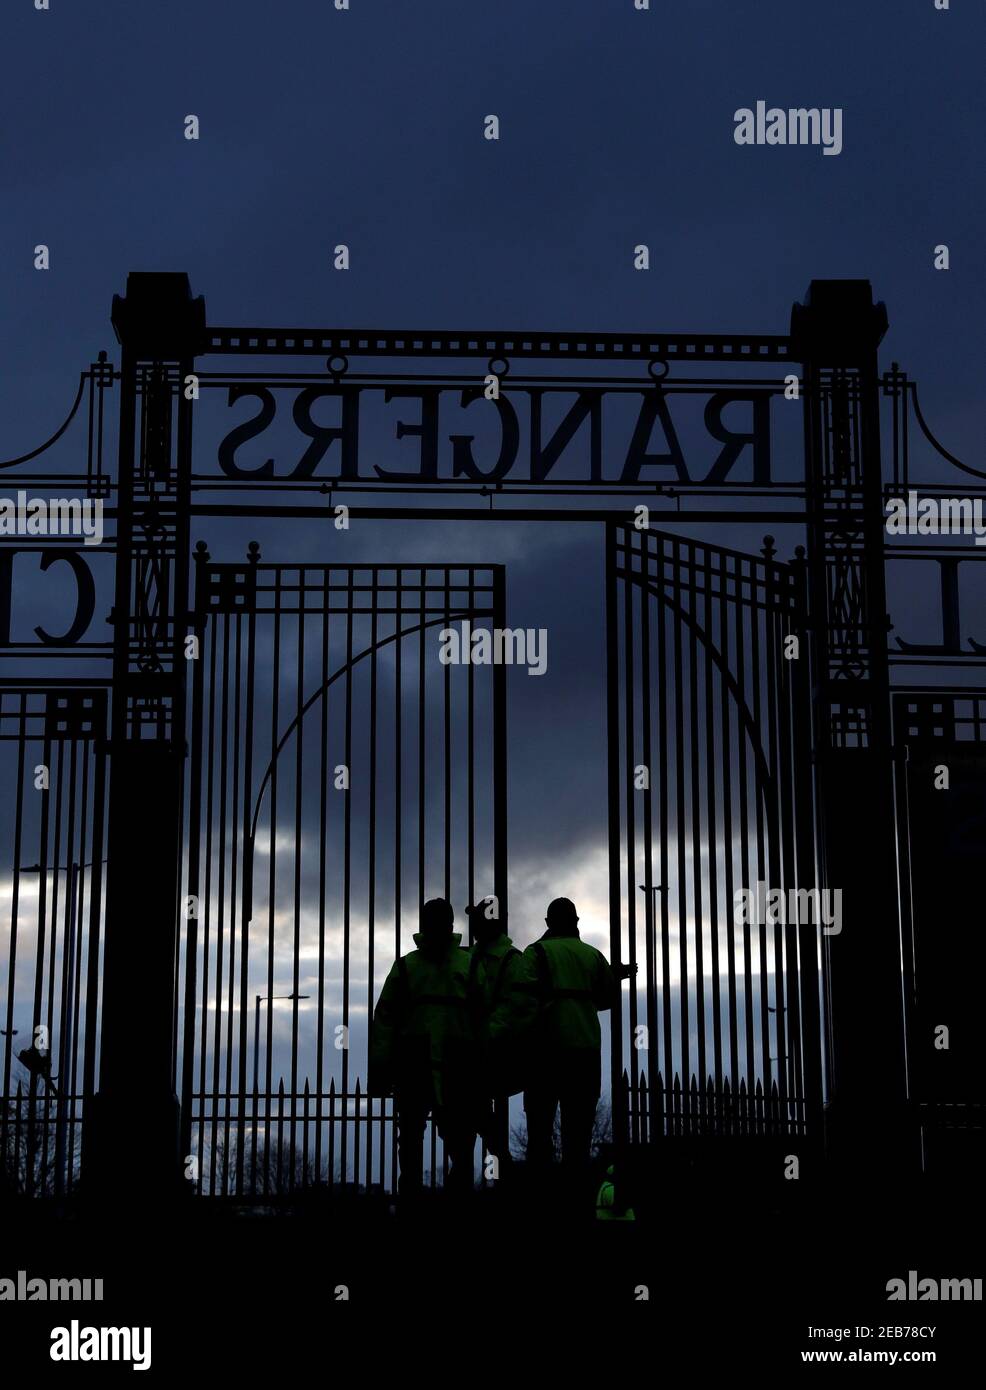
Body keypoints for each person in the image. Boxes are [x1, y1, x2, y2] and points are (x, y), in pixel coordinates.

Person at [368, 898, 477, 1196]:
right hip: (451, 1062)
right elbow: (484, 1016)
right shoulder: (469, 964)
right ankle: (452, 1198)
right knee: (456, 1139)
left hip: (418, 1063)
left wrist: (380, 1068)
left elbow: (385, 1021)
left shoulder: (406, 967)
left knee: (418, 1139)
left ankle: (414, 1200)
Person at [523, 897, 617, 1182]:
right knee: (578, 1139)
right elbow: (607, 998)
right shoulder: (593, 955)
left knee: (539, 1135)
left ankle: (542, 1197)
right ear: (576, 922)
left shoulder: (535, 952)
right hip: (585, 1053)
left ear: (548, 923)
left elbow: (522, 999)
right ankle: (577, 1199)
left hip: (545, 1053)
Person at [464, 899, 538, 1173]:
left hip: (494, 1054)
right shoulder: (469, 957)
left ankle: (502, 1167)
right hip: (471, 1052)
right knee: (470, 1116)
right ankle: (498, 1165)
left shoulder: (511, 960)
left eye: (478, 920)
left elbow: (518, 1008)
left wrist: (485, 1035)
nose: (473, 926)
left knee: (473, 1113)